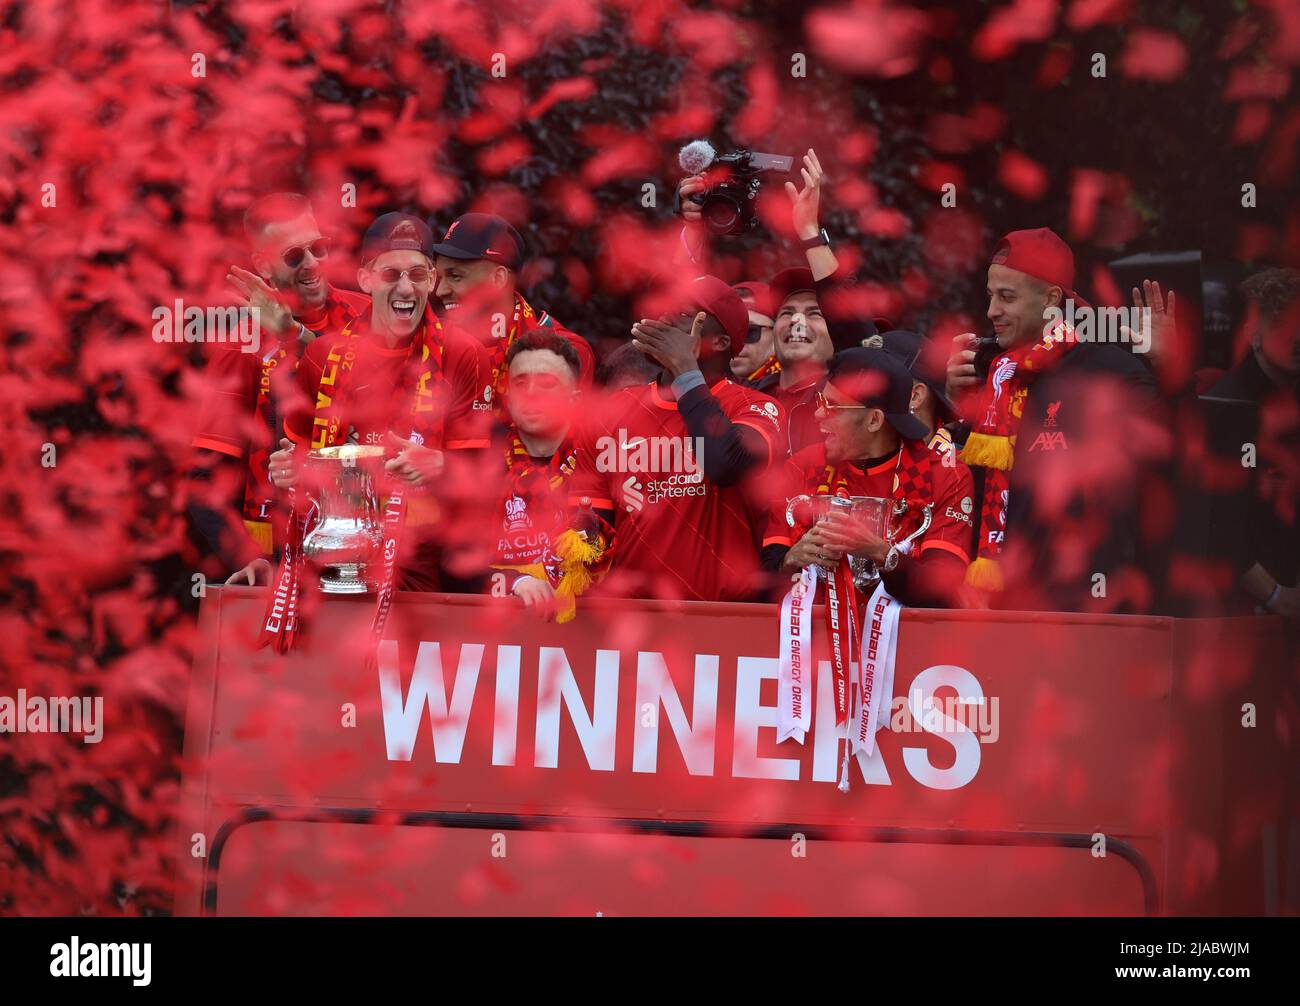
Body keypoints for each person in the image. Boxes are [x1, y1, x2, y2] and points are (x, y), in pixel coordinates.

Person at [264, 211, 491, 590]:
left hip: (425, 557)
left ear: (432, 280)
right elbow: (299, 459)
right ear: (366, 279)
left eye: (417, 275)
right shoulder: (322, 356)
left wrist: (441, 465)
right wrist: (286, 470)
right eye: (391, 275)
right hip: (334, 552)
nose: (406, 288)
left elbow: (487, 476)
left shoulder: (462, 354)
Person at [945, 227, 1160, 611]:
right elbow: (959, 488)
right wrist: (953, 408)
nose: (991, 311)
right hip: (994, 603)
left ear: (1051, 299)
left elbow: (1156, 482)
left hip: (1078, 612)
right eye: (991, 296)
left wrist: (1165, 373)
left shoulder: (1108, 371)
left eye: (1007, 297)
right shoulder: (993, 374)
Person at [559, 276, 785, 605]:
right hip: (633, 619)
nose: (664, 317)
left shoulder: (755, 407)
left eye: (684, 314)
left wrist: (685, 369)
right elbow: (592, 522)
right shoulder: (609, 413)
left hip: (725, 620)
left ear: (720, 342)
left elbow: (726, 463)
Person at [189, 193, 367, 581]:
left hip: (371, 548)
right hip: (280, 558)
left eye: (319, 248)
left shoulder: (367, 316)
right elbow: (205, 480)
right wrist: (247, 558)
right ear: (262, 264)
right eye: (293, 256)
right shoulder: (243, 344)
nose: (313, 264)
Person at [763, 348, 974, 607]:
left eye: (831, 407)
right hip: (815, 639)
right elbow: (766, 577)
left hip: (910, 641)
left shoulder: (945, 475)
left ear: (874, 420)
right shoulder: (802, 466)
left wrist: (881, 554)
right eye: (820, 401)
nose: (818, 414)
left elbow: (942, 590)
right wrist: (790, 561)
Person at [1206, 267, 1300, 616]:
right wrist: (1276, 596)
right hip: (1244, 615)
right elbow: (1217, 524)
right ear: (1254, 334)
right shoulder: (1226, 408)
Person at [430, 212, 595, 404]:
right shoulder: (428, 344)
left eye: (455, 276)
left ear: (498, 279)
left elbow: (569, 433)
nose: (440, 291)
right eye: (439, 277)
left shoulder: (567, 352)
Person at [487, 331, 584, 621]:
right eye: (520, 382)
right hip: (496, 641)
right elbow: (453, 563)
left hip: (586, 642)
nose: (531, 392)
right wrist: (515, 582)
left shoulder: (597, 462)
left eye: (546, 383)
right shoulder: (482, 463)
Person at [730, 281, 779, 389]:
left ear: (777, 334)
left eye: (749, 331)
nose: (736, 343)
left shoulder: (790, 390)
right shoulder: (704, 389)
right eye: (727, 332)